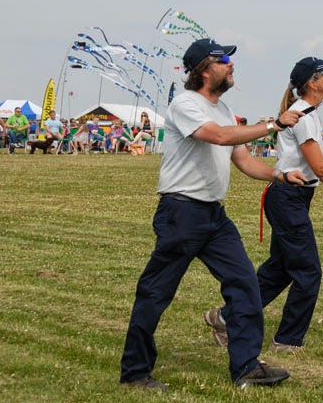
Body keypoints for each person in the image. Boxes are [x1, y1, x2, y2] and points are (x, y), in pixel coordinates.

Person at [120, 38, 306, 391]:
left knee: (245, 286)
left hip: (213, 216)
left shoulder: (224, 110)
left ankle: (246, 367)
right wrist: (273, 125)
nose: (231, 65)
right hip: (181, 213)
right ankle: (135, 372)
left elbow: (243, 159)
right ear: (204, 69)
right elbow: (218, 137)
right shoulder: (185, 104)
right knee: (156, 293)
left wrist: (279, 175)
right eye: (224, 60)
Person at [202, 55, 323, 357]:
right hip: (287, 198)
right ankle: (287, 340)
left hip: (292, 197)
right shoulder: (301, 114)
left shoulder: (307, 113)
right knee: (308, 271)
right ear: (312, 82)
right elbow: (321, 166)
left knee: (280, 270)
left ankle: (225, 318)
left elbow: (314, 171)